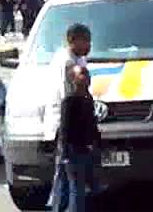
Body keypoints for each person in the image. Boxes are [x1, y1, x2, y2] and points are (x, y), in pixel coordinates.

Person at [54, 64, 100, 212]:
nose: (86, 77)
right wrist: (65, 153)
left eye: (87, 74)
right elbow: (65, 129)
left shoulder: (88, 99)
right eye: (82, 74)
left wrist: (97, 144)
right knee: (77, 189)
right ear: (73, 79)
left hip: (87, 150)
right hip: (74, 152)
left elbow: (92, 126)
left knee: (94, 187)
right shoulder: (70, 101)